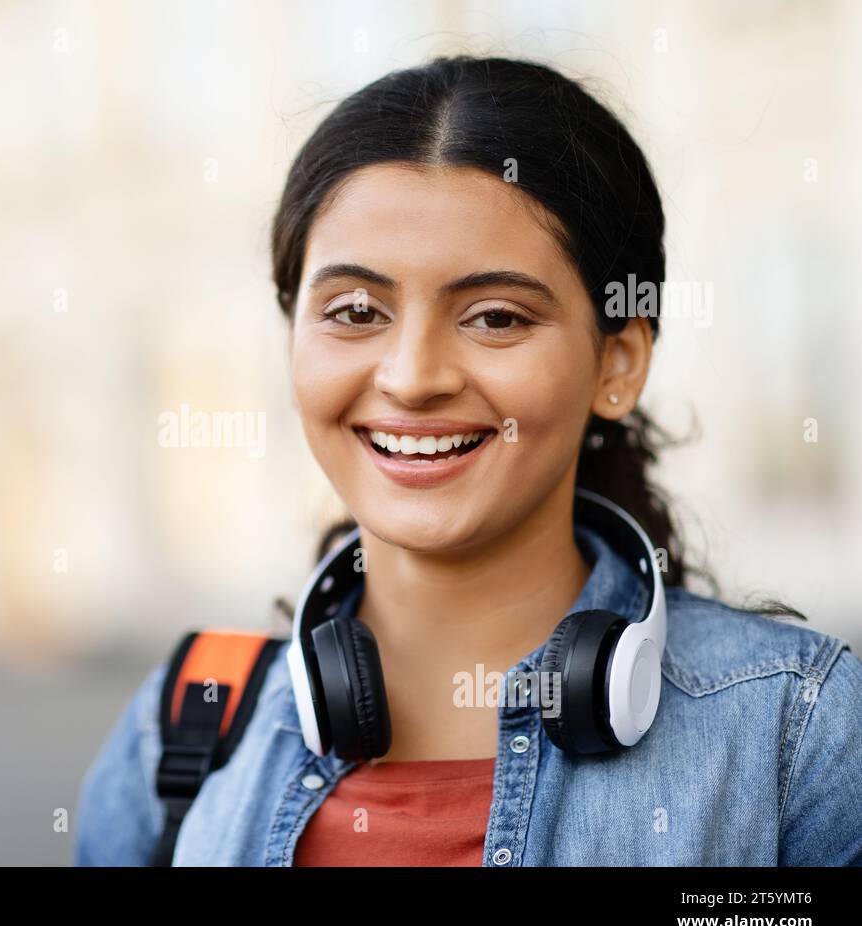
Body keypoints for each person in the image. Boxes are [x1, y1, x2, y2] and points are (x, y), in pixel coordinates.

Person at [73, 55, 862, 866]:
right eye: (353, 311)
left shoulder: (796, 733)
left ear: (618, 363)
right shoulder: (183, 734)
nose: (412, 378)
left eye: (494, 317)